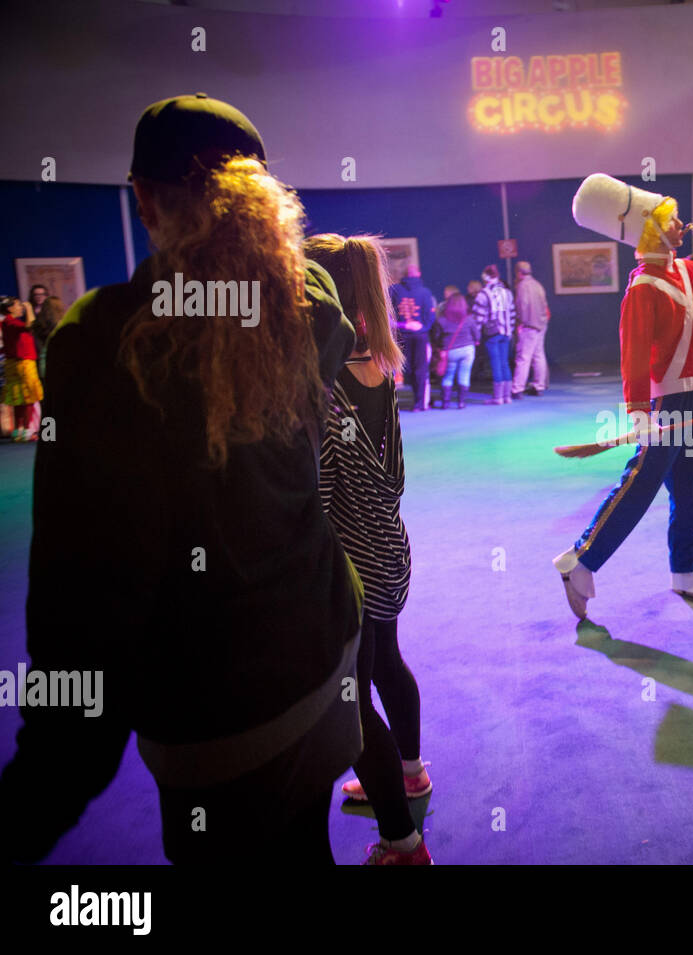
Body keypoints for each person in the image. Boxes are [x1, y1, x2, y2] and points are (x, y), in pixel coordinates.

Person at [0, 94, 363, 864]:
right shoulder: (309, 309)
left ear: (142, 200)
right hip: (328, 664)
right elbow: (319, 288)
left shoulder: (107, 341)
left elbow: (85, 595)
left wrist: (38, 795)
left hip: (224, 725)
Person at [554, 174, 693, 617]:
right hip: (668, 404)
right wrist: (640, 412)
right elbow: (634, 355)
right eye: (673, 219)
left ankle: (684, 570)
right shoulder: (642, 287)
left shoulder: (686, 270)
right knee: (640, 485)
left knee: (688, 485)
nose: (683, 224)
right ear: (652, 230)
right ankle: (580, 559)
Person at [305, 234, 430, 866]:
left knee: (348, 706)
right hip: (389, 549)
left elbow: (319, 498)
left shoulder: (328, 384)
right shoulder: (378, 359)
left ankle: (403, 843)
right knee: (387, 665)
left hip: (351, 567)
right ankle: (410, 772)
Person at [389, 263, 436, 411]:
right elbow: (430, 315)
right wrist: (423, 327)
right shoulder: (425, 292)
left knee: (403, 368)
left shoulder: (394, 290)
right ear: (419, 274)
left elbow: (387, 312)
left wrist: (401, 325)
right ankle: (420, 403)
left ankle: (393, 404)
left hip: (401, 335)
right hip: (420, 335)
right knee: (420, 369)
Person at [473, 265, 514, 405]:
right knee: (505, 363)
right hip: (506, 332)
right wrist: (511, 330)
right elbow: (512, 313)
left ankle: (498, 398)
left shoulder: (483, 294)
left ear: (486, 276)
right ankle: (507, 396)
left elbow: (478, 317)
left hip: (492, 333)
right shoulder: (507, 293)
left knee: (496, 364)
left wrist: (476, 335)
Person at [2, 296, 42, 441]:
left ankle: (19, 431)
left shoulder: (8, 323)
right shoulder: (10, 322)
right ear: (10, 308)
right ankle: (26, 431)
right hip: (22, 364)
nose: (21, 307)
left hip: (15, 364)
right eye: (18, 305)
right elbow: (30, 325)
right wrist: (30, 309)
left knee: (19, 398)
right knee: (28, 397)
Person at [511, 259, 550, 398]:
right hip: (541, 325)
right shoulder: (538, 285)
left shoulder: (522, 286)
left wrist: (520, 323)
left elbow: (522, 305)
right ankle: (539, 386)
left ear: (519, 272)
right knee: (539, 356)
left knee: (524, 357)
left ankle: (517, 388)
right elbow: (545, 305)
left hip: (528, 326)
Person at [431, 292, 477, 409]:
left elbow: (436, 337)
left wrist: (440, 347)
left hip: (450, 351)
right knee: (464, 375)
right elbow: (476, 335)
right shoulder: (469, 319)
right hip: (467, 350)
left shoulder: (441, 320)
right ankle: (461, 402)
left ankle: (445, 402)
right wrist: (476, 340)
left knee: (448, 376)